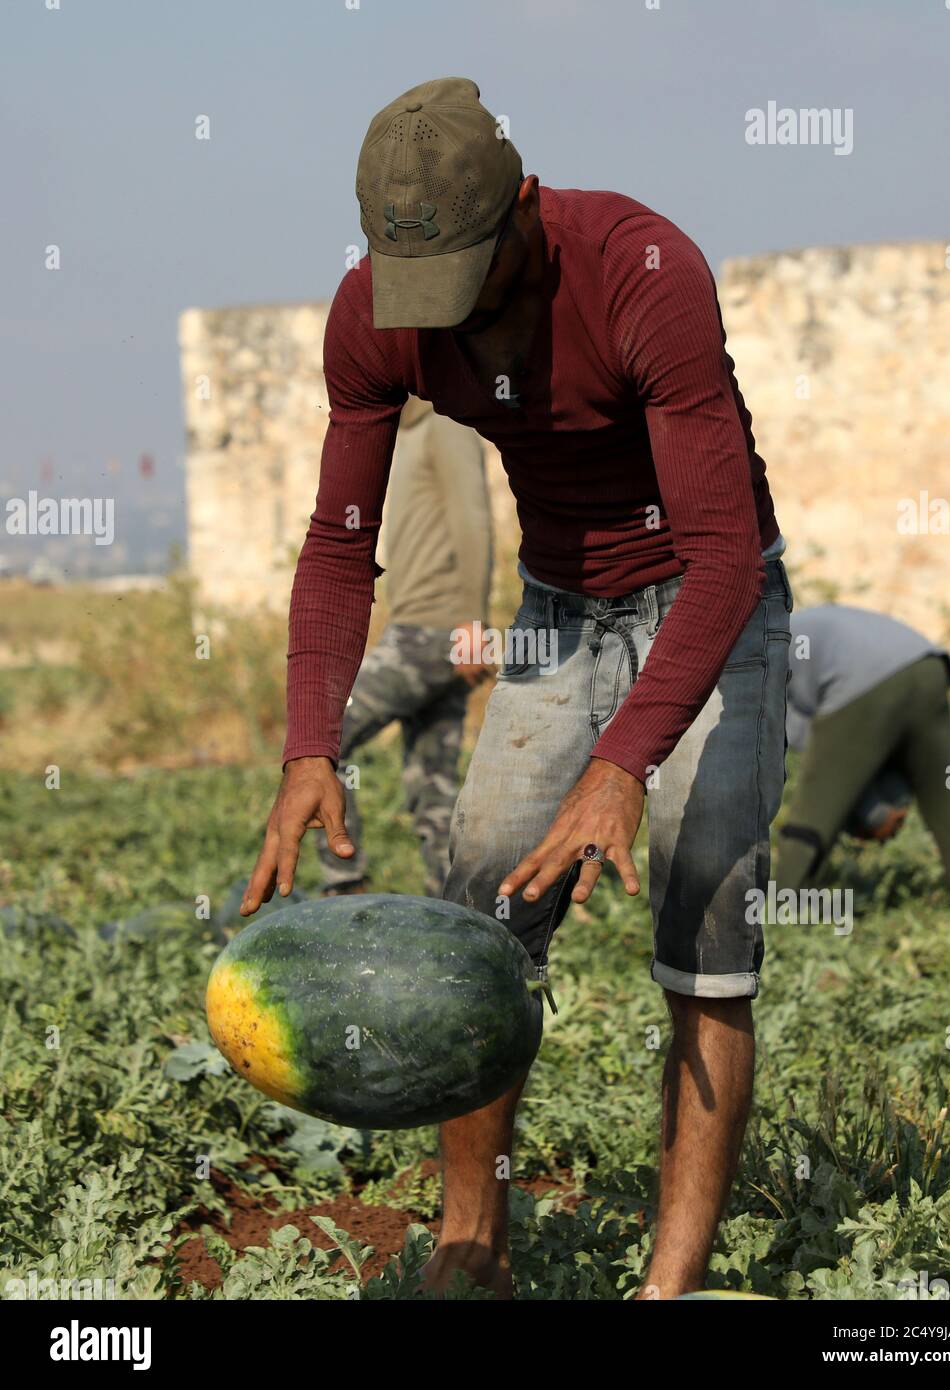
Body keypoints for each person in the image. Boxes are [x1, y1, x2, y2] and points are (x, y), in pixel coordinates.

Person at [242, 77, 792, 1299]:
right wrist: (309, 746)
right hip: (555, 614)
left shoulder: (645, 270)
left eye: (473, 288)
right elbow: (339, 543)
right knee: (480, 920)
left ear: (523, 215)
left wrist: (620, 764)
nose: (453, 324)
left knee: (704, 939)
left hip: (711, 607)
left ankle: (670, 1285)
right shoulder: (372, 315)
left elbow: (715, 557)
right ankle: (469, 1249)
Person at [315, 395, 492, 897]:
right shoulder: (406, 431)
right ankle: (451, 910)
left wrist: (474, 624)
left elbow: (473, 518)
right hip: (421, 629)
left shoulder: (447, 420)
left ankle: (345, 882)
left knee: (323, 736)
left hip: (435, 635)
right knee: (432, 786)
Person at [778, 605, 950, 910]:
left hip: (862, 682)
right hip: (926, 665)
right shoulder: (798, 626)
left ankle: (789, 905)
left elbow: (824, 759)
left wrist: (871, 810)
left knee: (815, 808)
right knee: (946, 789)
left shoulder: (756, 652)